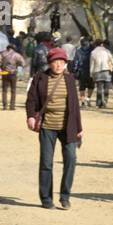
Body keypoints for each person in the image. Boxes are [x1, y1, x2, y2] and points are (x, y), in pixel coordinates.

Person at [25, 47, 83, 210]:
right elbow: (31, 99)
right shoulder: (40, 78)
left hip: (68, 126)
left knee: (71, 160)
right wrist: (30, 116)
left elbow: (75, 105)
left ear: (65, 64)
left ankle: (65, 197)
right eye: (55, 62)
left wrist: (79, 127)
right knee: (46, 163)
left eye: (61, 62)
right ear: (50, 63)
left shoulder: (70, 79)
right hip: (47, 126)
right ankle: (46, 198)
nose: (58, 65)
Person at [89, 39, 113, 108]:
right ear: (101, 44)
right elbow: (112, 60)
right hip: (106, 70)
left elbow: (92, 64)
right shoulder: (106, 51)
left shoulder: (93, 52)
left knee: (99, 88)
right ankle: (105, 101)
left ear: (95, 44)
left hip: (97, 71)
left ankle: (99, 102)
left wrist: (91, 74)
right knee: (106, 88)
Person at [0, 44, 25, 109]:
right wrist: (18, 67)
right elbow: (23, 63)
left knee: (4, 90)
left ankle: (4, 105)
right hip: (13, 73)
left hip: (4, 72)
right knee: (13, 90)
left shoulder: (3, 54)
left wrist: (2, 67)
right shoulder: (17, 55)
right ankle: (12, 105)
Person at [71, 39, 93, 108]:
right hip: (90, 71)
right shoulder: (91, 51)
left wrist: (75, 70)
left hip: (81, 71)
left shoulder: (78, 51)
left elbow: (75, 62)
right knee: (91, 86)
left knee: (82, 87)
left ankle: (83, 102)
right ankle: (88, 99)